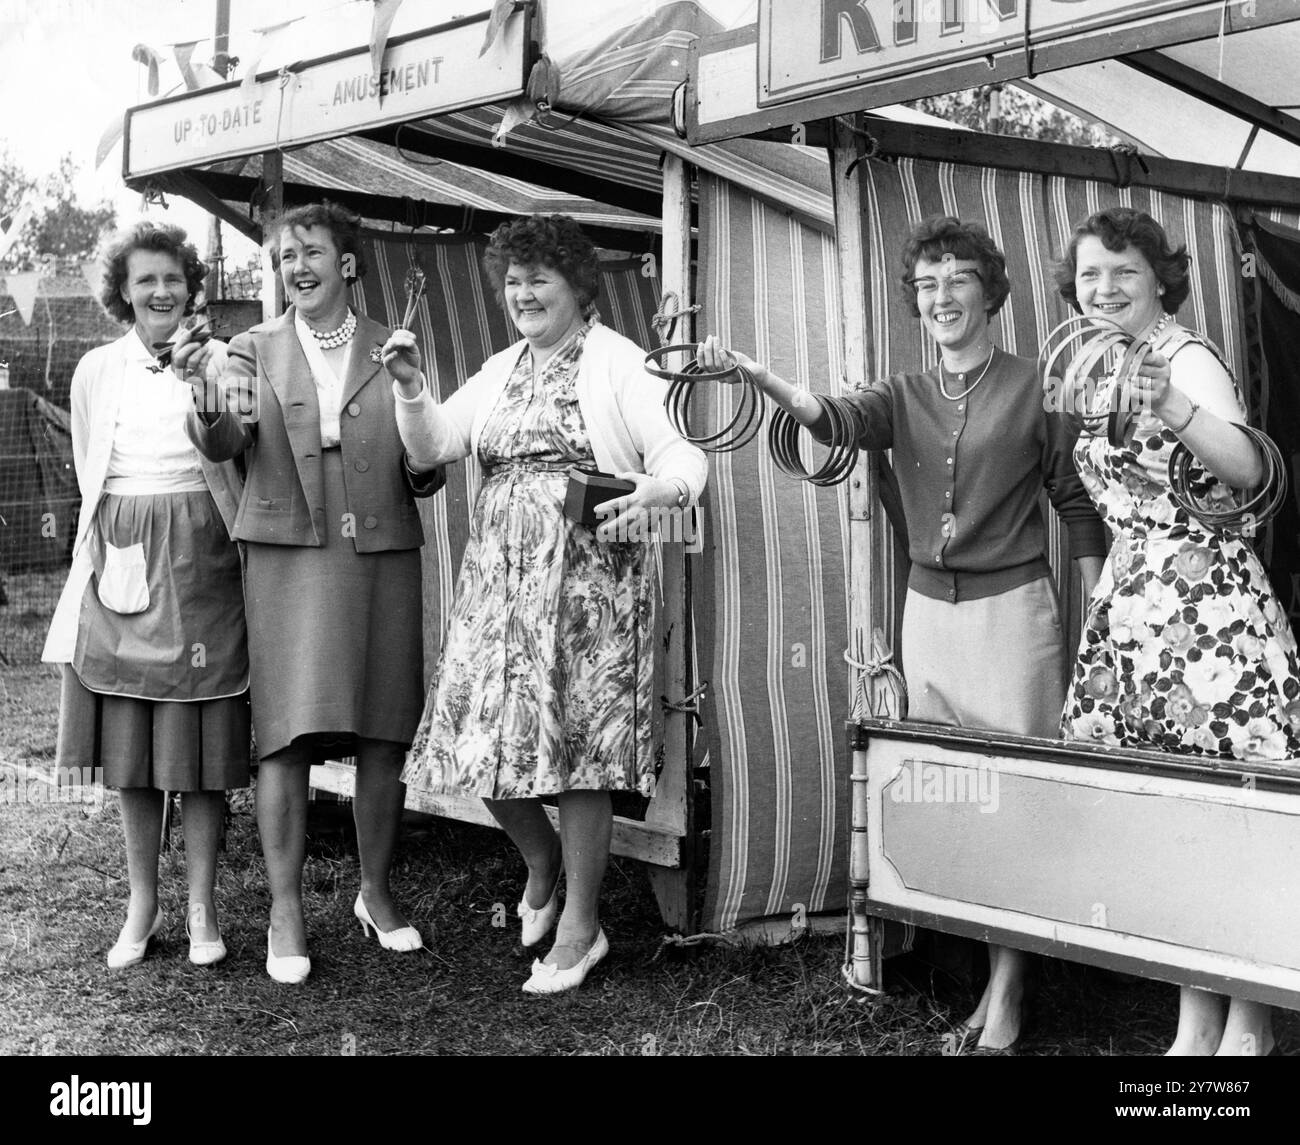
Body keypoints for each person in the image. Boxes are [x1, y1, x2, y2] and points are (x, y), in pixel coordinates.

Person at [698, 215, 1107, 1051]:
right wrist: (761, 378)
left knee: (1020, 805)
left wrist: (1099, 618)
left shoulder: (1038, 385)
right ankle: (991, 979)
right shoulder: (904, 393)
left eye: (957, 277)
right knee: (958, 801)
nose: (940, 296)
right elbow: (831, 419)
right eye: (925, 284)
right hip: (929, 621)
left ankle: (1009, 993)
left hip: (1015, 618)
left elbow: (1075, 502)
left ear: (990, 291)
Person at [390, 214, 707, 993]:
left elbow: (681, 455)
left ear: (576, 286)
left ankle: (582, 928)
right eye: (513, 280)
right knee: (476, 737)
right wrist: (409, 388)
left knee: (581, 754)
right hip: (498, 583)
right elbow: (433, 445)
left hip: (590, 584)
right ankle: (542, 859)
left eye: (540, 278)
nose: (523, 293)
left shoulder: (619, 361)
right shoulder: (501, 366)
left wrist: (663, 487)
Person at [179, 201, 444, 984]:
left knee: (383, 728)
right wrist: (204, 398)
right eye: (285, 257)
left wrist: (414, 391)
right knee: (286, 734)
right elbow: (227, 441)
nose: (296, 267)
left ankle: (376, 892)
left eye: (312, 252)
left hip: (383, 547)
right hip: (290, 548)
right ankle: (285, 908)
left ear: (348, 263)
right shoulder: (248, 348)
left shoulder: (389, 342)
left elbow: (424, 467)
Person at [1057, 206, 1300, 1056]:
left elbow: (1249, 467)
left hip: (1209, 622)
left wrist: (1178, 406)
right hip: (1135, 617)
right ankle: (1197, 1019)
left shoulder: (1184, 356)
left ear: (1160, 277)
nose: (1105, 287)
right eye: (1090, 273)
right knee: (1171, 824)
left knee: (1230, 818)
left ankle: (1252, 1019)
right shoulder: (1093, 370)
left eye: (1123, 270)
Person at [42, 220, 249, 969]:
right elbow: (89, 465)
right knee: (131, 745)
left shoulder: (229, 358)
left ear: (192, 285)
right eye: (144, 280)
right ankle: (142, 903)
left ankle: (201, 906)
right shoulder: (95, 369)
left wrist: (201, 381)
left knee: (196, 743)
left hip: (202, 549)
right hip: (124, 550)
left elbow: (232, 447)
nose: (160, 291)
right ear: (122, 293)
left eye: (172, 277)